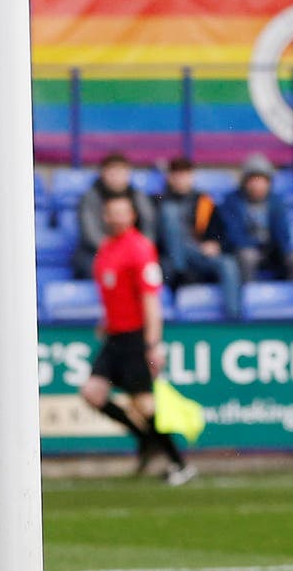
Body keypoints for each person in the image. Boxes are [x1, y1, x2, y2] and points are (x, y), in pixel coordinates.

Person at [78, 195, 196, 486]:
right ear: (105, 217)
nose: (117, 217)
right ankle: (146, 440)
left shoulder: (139, 248)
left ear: (132, 215)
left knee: (145, 405)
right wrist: (108, 321)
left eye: (122, 212)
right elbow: (117, 292)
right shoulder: (107, 249)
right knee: (93, 393)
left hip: (135, 337)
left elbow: (150, 300)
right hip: (115, 335)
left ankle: (178, 463)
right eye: (111, 212)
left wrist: (153, 343)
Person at [154, 157, 242, 318]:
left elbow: (221, 231)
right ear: (170, 177)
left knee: (227, 263)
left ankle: (234, 317)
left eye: (185, 175)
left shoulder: (204, 201)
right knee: (169, 212)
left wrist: (216, 244)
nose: (181, 180)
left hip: (197, 254)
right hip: (166, 257)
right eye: (177, 175)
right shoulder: (158, 201)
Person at [216, 153, 293, 284]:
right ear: (245, 182)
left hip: (272, 252)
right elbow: (233, 236)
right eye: (253, 179)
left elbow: (283, 234)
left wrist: (284, 252)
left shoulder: (276, 202)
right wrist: (256, 246)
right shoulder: (232, 202)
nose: (257, 185)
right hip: (245, 251)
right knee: (248, 256)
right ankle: (249, 296)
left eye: (261, 180)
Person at [72, 152, 157, 281]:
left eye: (121, 172)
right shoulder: (90, 197)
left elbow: (148, 228)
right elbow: (90, 233)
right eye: (112, 172)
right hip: (99, 252)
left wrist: (136, 250)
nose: (116, 177)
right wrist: (116, 252)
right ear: (102, 173)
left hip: (132, 252)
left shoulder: (138, 196)